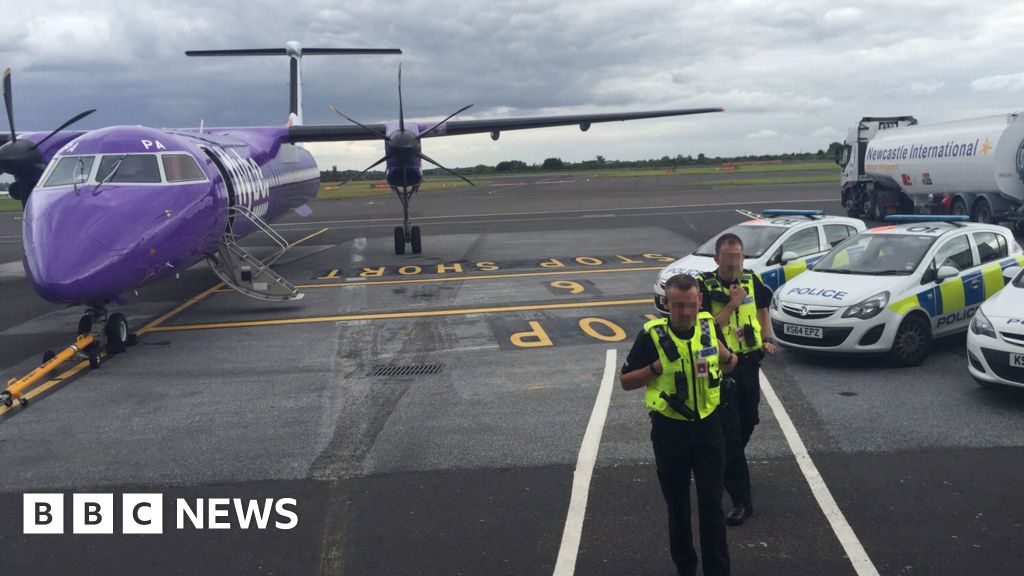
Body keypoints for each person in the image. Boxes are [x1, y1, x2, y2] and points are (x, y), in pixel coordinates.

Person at [621, 273, 738, 576]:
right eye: (678, 306)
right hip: (670, 431)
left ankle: (718, 571)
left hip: (709, 429)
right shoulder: (651, 335)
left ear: (700, 301)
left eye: (690, 305)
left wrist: (728, 357)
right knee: (678, 506)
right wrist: (654, 368)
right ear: (665, 304)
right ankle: (685, 567)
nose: (685, 312)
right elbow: (626, 381)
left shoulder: (710, 327)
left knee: (712, 506)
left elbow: (729, 365)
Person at [697, 232, 776, 527]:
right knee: (730, 434)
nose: (733, 263)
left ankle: (719, 467)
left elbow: (762, 309)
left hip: (750, 364)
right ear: (717, 258)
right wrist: (732, 303)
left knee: (748, 421)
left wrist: (767, 338)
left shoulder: (751, 279)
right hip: (724, 366)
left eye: (738, 257)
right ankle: (741, 500)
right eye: (728, 258)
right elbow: (706, 326)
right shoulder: (705, 286)